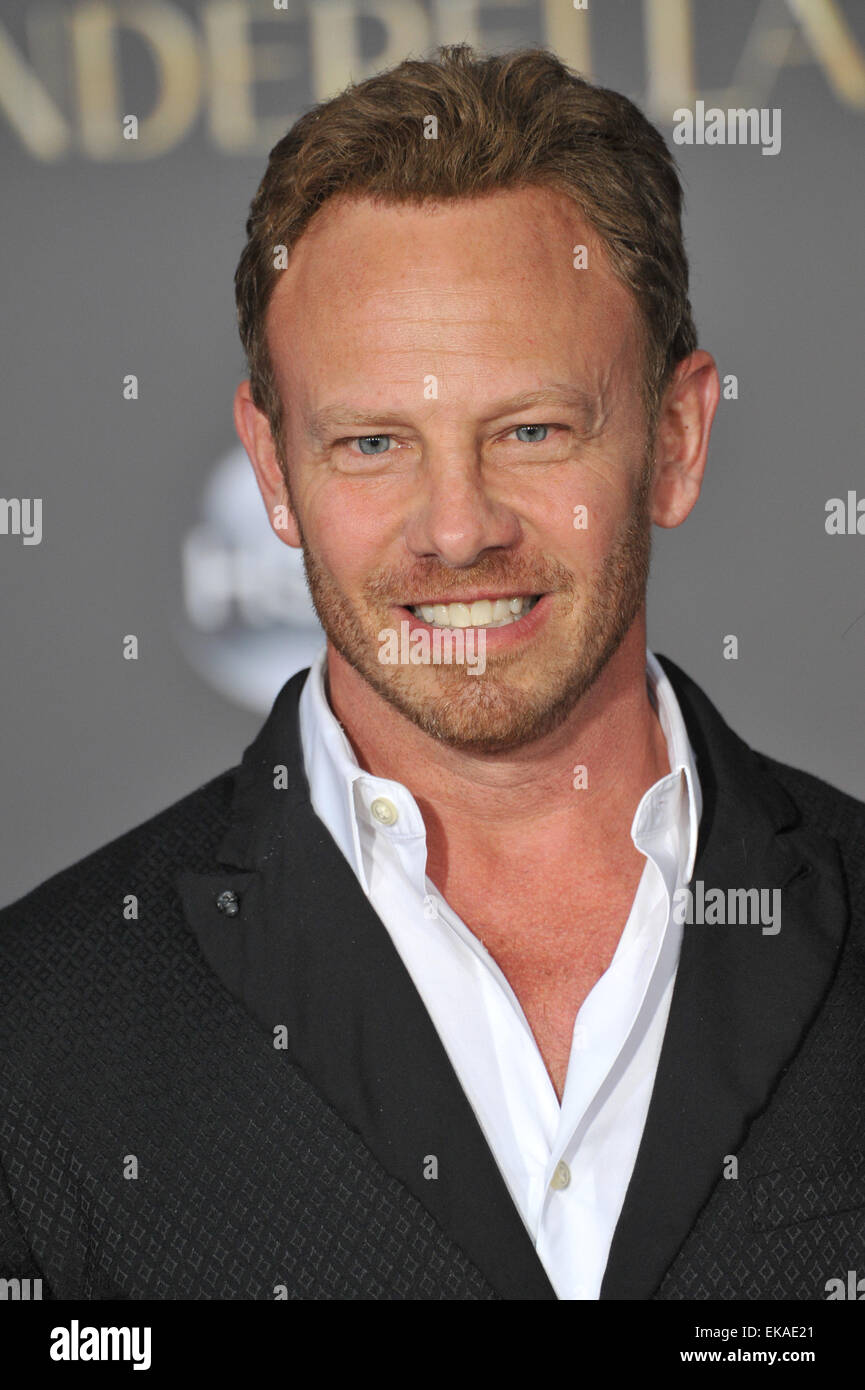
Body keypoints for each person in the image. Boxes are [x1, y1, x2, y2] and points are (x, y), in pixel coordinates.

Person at [2, 44, 863, 1303]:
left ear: (675, 441)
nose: (456, 528)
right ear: (272, 467)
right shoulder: (35, 1038)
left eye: (529, 430)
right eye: (370, 442)